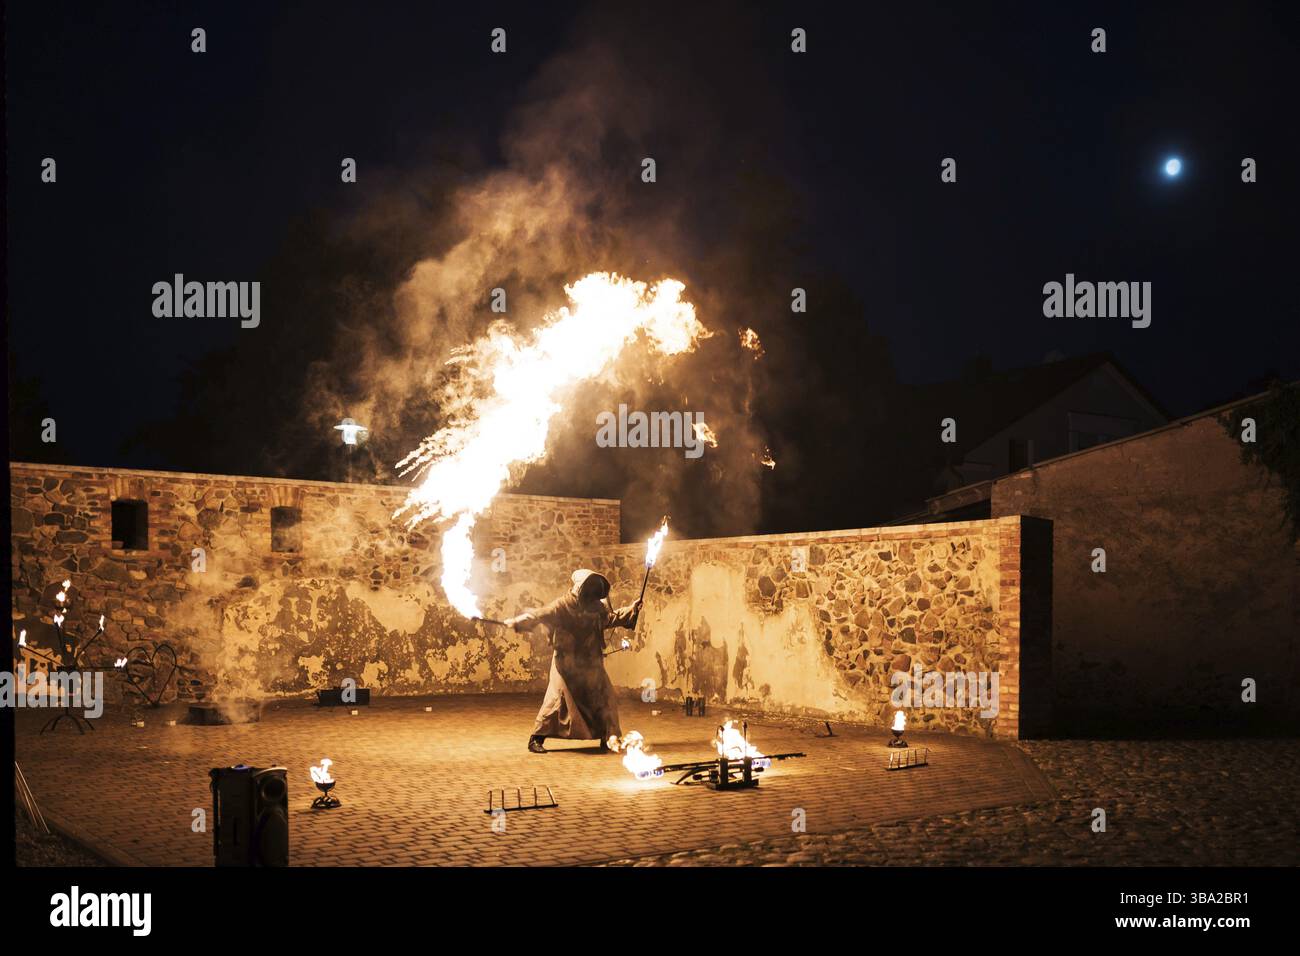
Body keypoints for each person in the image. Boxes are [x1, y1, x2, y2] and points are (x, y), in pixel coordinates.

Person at [504, 569, 641, 754]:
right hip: (566, 662)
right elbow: (539, 615)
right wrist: (518, 621)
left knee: (604, 698)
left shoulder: (596, 607)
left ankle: (609, 738)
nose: (592, 593)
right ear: (580, 588)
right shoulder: (562, 606)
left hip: (591, 661)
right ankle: (536, 738)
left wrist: (631, 609)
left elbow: (608, 620)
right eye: (589, 588)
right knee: (557, 700)